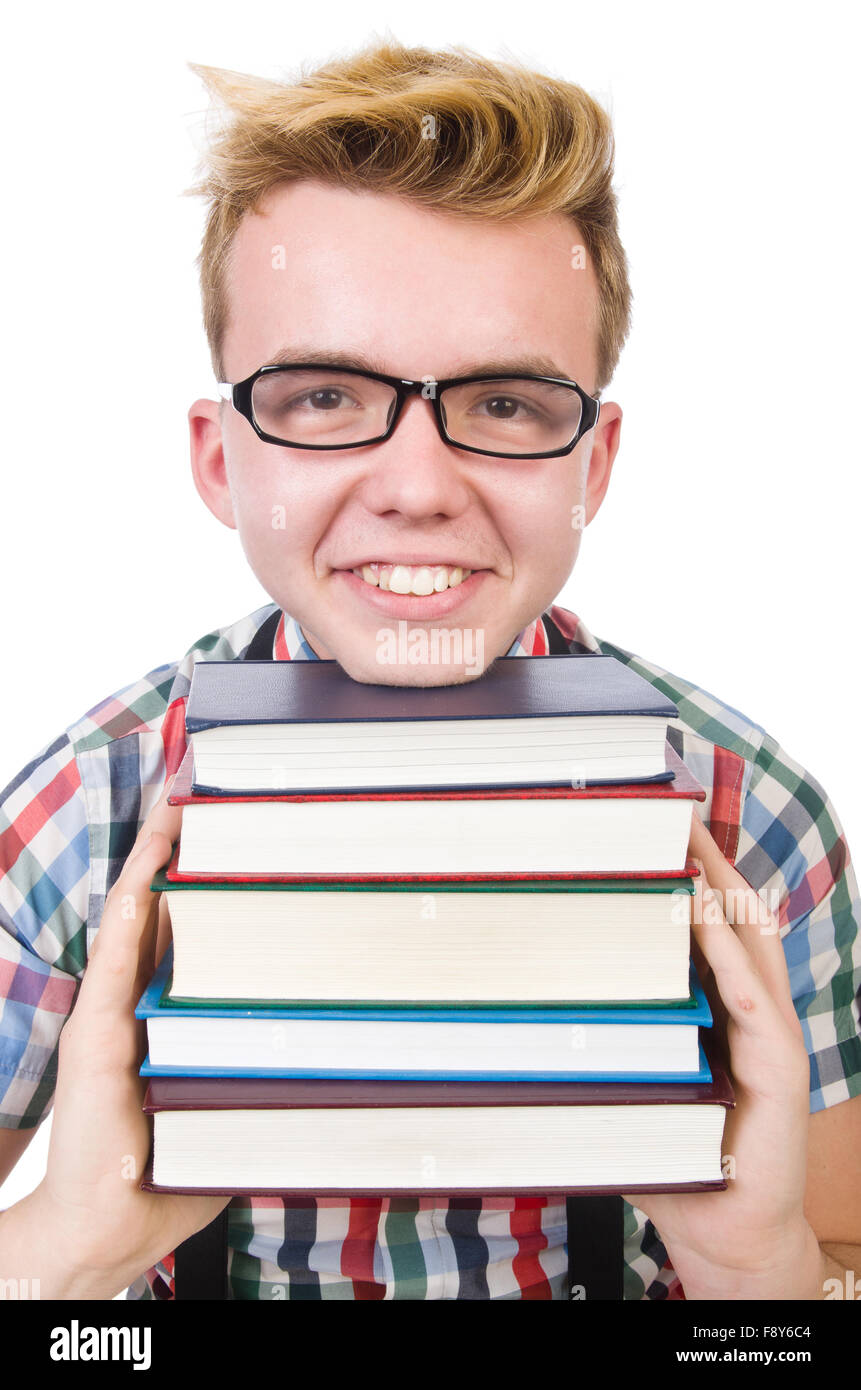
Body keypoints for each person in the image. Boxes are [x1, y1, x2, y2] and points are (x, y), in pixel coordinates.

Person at [1, 39, 859, 1301]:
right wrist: (66, 1253)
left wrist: (761, 1271)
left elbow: (820, 1273)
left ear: (595, 463)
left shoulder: (753, 824)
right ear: (221, 458)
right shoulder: (79, 823)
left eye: (508, 402)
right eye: (325, 396)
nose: (416, 487)